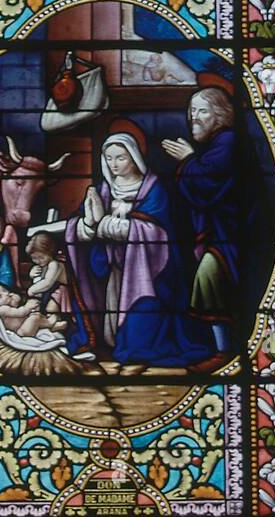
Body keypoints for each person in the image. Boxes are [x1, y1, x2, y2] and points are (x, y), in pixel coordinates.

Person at [65, 121, 215, 367]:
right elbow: (80, 227)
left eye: (120, 158)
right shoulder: (103, 190)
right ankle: (111, 340)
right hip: (114, 266)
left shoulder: (154, 189)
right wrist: (87, 226)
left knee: (142, 318)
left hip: (148, 270)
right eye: (109, 158)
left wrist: (103, 224)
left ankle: (137, 343)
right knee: (111, 314)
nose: (114, 164)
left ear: (134, 157)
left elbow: (157, 232)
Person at [162, 78, 239, 360]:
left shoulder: (227, 141)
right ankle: (223, 350)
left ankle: (224, 353)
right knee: (212, 285)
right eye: (191, 111)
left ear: (220, 114)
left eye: (202, 111)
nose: (193, 117)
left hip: (230, 235)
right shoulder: (220, 144)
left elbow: (208, 186)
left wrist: (189, 159)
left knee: (209, 282)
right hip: (222, 234)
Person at [0, 283, 67, 337]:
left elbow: (17, 304)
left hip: (24, 326)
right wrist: (28, 307)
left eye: (5, 291)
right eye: (0, 296)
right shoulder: (2, 309)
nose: (6, 294)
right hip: (22, 332)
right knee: (34, 318)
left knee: (36, 316)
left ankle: (52, 326)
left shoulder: (7, 304)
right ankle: (50, 324)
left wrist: (16, 298)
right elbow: (19, 313)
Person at [26, 231, 72, 318]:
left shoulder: (55, 264)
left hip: (60, 293)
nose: (38, 261)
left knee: (51, 309)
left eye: (41, 257)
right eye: (34, 258)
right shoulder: (44, 264)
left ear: (50, 252)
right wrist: (32, 274)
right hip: (48, 293)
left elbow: (47, 283)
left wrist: (31, 290)